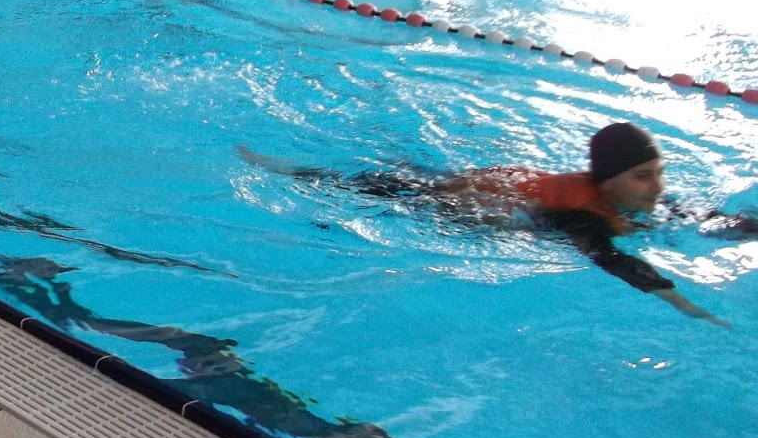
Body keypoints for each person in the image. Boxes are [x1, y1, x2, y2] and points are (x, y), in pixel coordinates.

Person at [244, 122, 752, 328]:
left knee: (409, 175)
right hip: (475, 200)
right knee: (396, 190)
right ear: (610, 180)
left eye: (658, 174)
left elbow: (711, 219)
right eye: (643, 177)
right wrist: (683, 303)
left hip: (512, 183)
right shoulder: (579, 215)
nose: (656, 188)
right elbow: (615, 262)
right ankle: (291, 170)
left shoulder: (638, 201)